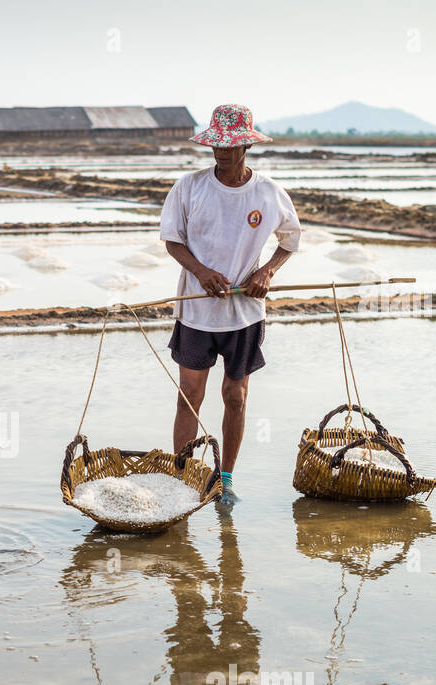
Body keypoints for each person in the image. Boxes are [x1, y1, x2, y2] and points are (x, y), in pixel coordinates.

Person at [160, 104, 301, 508]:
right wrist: (201, 271)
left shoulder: (268, 192)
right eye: (216, 144)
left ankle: (225, 480)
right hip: (197, 312)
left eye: (230, 145)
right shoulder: (190, 187)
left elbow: (290, 240)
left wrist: (267, 272)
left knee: (235, 397)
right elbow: (173, 240)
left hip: (243, 315)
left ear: (246, 146)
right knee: (190, 393)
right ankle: (182, 475)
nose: (221, 152)